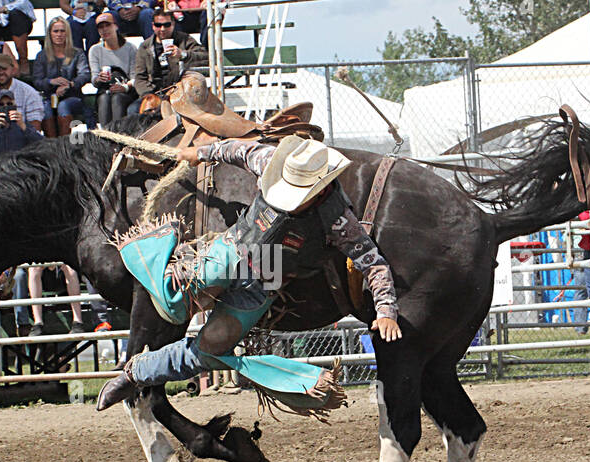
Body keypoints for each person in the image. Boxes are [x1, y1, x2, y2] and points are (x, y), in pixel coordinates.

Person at [97, 137, 401, 411]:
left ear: (318, 189)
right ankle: (157, 245)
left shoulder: (337, 218)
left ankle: (136, 373)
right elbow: (232, 149)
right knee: (174, 299)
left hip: (268, 275)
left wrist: (385, 310)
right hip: (233, 247)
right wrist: (198, 153)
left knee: (213, 347)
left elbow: (373, 263)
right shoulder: (268, 161)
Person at [31, 17, 89, 137]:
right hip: (49, 96)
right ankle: (51, 146)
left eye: (62, 31)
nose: (59, 34)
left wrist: (69, 85)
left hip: (73, 97)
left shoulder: (77, 53)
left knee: (63, 106)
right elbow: (37, 81)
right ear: (50, 34)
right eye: (55, 31)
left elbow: (85, 75)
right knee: (45, 108)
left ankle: (64, 145)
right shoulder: (42, 56)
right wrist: (51, 81)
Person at [133, 9, 207, 101]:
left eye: (167, 25)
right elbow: (140, 77)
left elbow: (205, 56)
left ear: (173, 24)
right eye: (158, 25)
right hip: (154, 92)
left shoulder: (185, 39)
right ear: (153, 26)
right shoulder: (145, 47)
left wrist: (183, 54)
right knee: (133, 110)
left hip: (180, 91)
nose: (162, 29)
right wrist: (148, 95)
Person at [0, 54, 44, 134]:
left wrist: (21, 124)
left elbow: (36, 129)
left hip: (22, 139)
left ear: (13, 69)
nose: (1, 72)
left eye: (4, 69)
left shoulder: (30, 93)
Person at [88, 11, 137, 125]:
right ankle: (106, 137)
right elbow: (94, 79)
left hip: (126, 90)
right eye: (101, 27)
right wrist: (99, 79)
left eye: (107, 25)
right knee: (104, 99)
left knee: (117, 98)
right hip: (105, 90)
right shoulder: (95, 50)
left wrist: (125, 87)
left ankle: (118, 136)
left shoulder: (130, 48)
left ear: (115, 26)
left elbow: (135, 77)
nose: (104, 30)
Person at [0, 89, 43, 163]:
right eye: (1, 105)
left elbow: (42, 146)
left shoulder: (25, 128)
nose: (6, 107)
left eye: (9, 104)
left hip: (19, 169)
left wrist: (23, 126)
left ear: (15, 107)